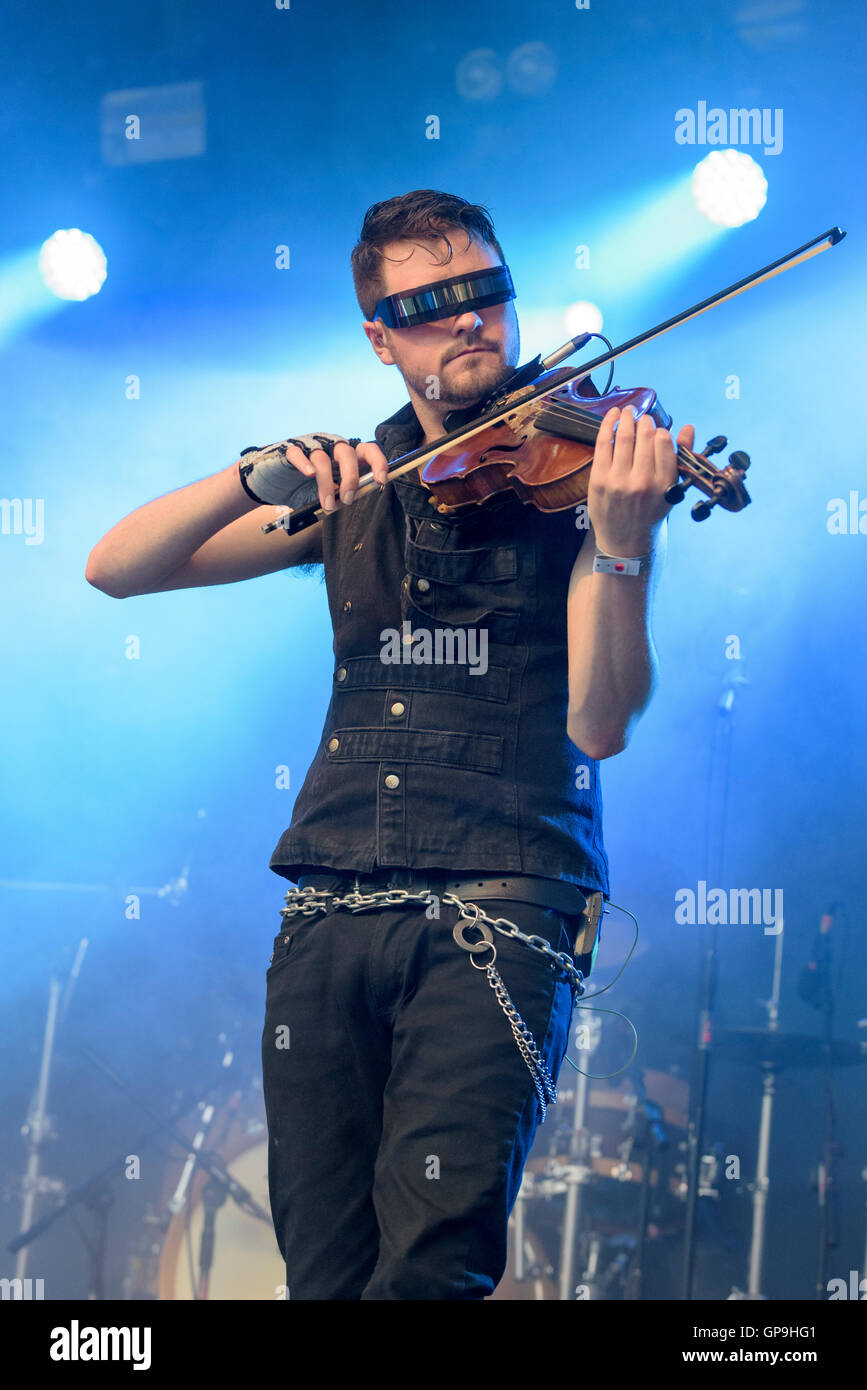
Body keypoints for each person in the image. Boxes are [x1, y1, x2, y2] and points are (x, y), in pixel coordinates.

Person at [86, 189, 693, 1300]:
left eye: (488, 296)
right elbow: (116, 564)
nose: (471, 324)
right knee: (320, 1270)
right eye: (432, 306)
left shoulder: (581, 478)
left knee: (428, 1268)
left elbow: (602, 721)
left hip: (501, 900)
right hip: (329, 903)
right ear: (380, 336)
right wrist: (253, 472)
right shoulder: (354, 484)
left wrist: (619, 546)